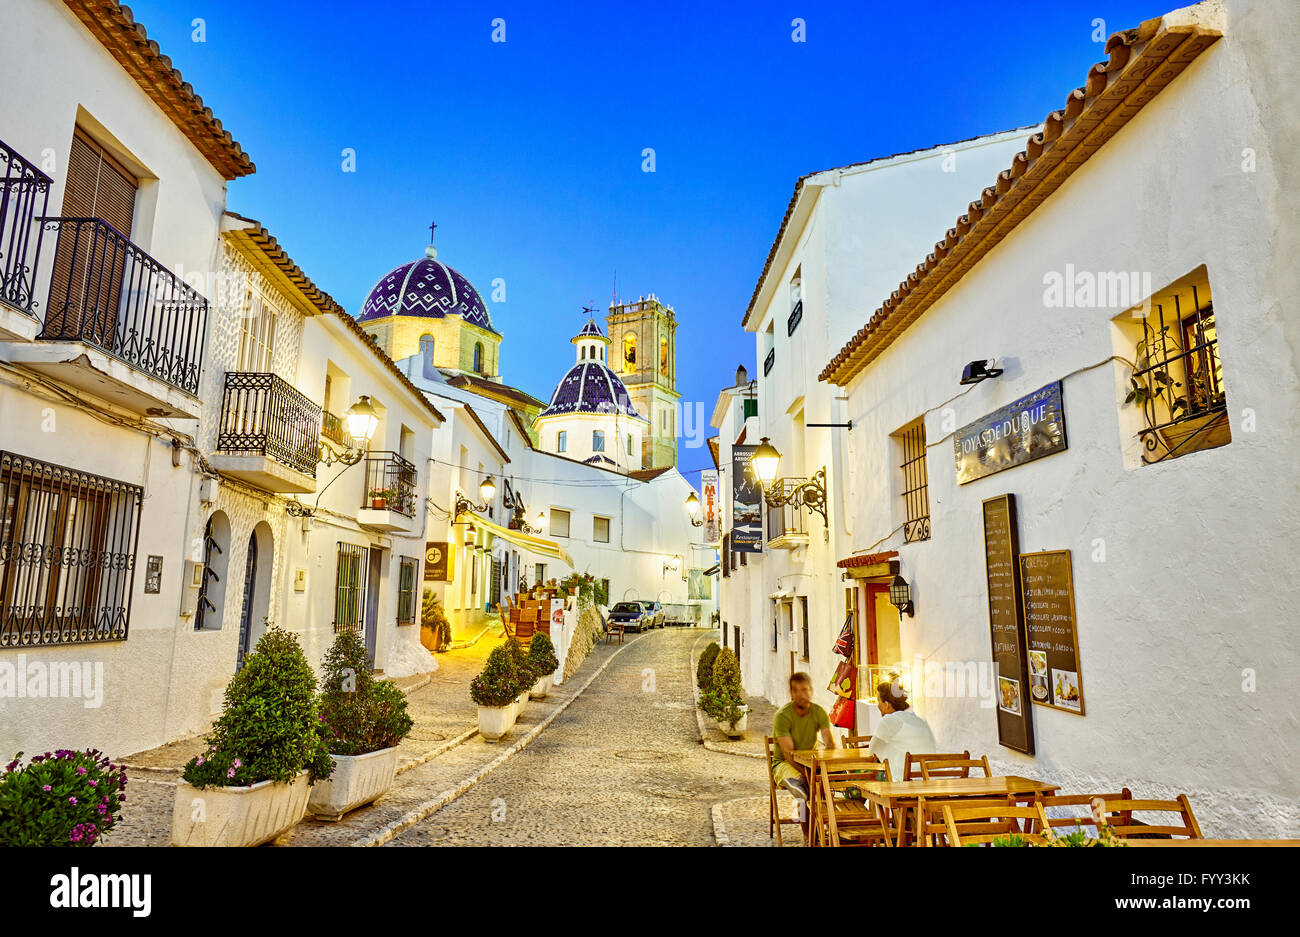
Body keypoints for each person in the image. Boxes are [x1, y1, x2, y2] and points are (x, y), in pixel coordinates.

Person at [772, 672, 836, 819]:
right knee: (803, 790)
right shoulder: (782, 716)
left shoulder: (819, 712)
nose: (801, 694)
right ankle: (807, 834)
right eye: (796, 690)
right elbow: (788, 754)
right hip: (784, 764)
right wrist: (809, 775)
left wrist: (828, 767)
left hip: (810, 761)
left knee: (831, 784)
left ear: (811, 691)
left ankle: (827, 830)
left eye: (804, 690)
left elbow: (830, 743)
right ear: (791, 693)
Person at [866, 681, 936, 778]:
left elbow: (872, 751)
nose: (878, 705)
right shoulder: (918, 719)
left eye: (878, 701)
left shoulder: (889, 720)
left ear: (886, 704)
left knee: (863, 774)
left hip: (906, 781)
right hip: (928, 777)